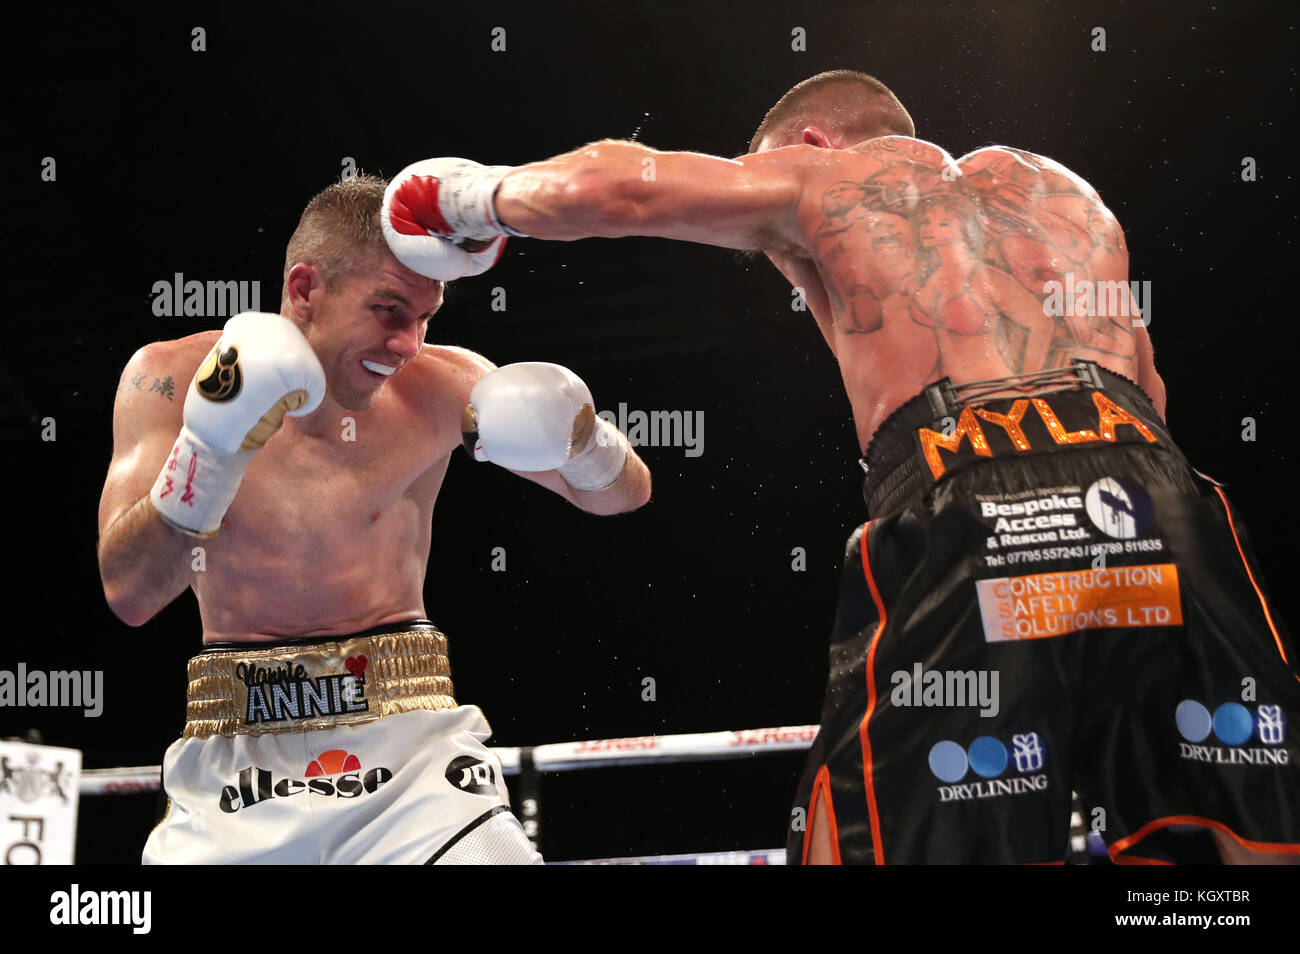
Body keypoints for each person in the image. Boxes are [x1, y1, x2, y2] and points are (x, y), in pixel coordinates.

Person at [380, 70, 1300, 864]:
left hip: (972, 488)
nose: (787, 269)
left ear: (811, 138)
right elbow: (1150, 387)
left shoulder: (832, 172)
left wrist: (471, 198)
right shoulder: (1065, 194)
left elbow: (625, 186)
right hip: (1161, 499)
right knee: (1233, 835)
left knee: (891, 833)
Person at [96, 174, 651, 864]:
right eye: (389, 311)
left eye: (425, 317)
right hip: (234, 768)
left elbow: (623, 495)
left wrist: (586, 442)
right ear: (305, 290)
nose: (408, 343)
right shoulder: (172, 380)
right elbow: (129, 593)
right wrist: (210, 453)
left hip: (412, 758)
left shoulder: (447, 386)